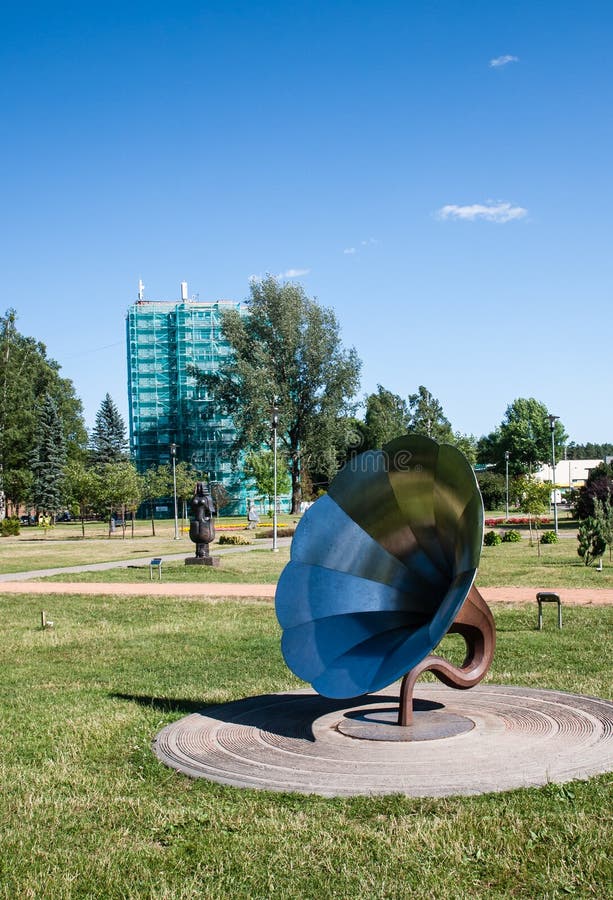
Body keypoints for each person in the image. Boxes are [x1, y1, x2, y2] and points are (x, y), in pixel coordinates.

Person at [189, 481, 216, 557]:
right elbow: (192, 508)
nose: (198, 488)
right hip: (196, 520)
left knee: (204, 536)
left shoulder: (207, 498)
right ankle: (198, 553)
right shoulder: (195, 497)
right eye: (197, 486)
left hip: (204, 519)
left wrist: (209, 520)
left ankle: (204, 552)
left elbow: (211, 510)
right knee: (196, 536)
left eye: (200, 486)